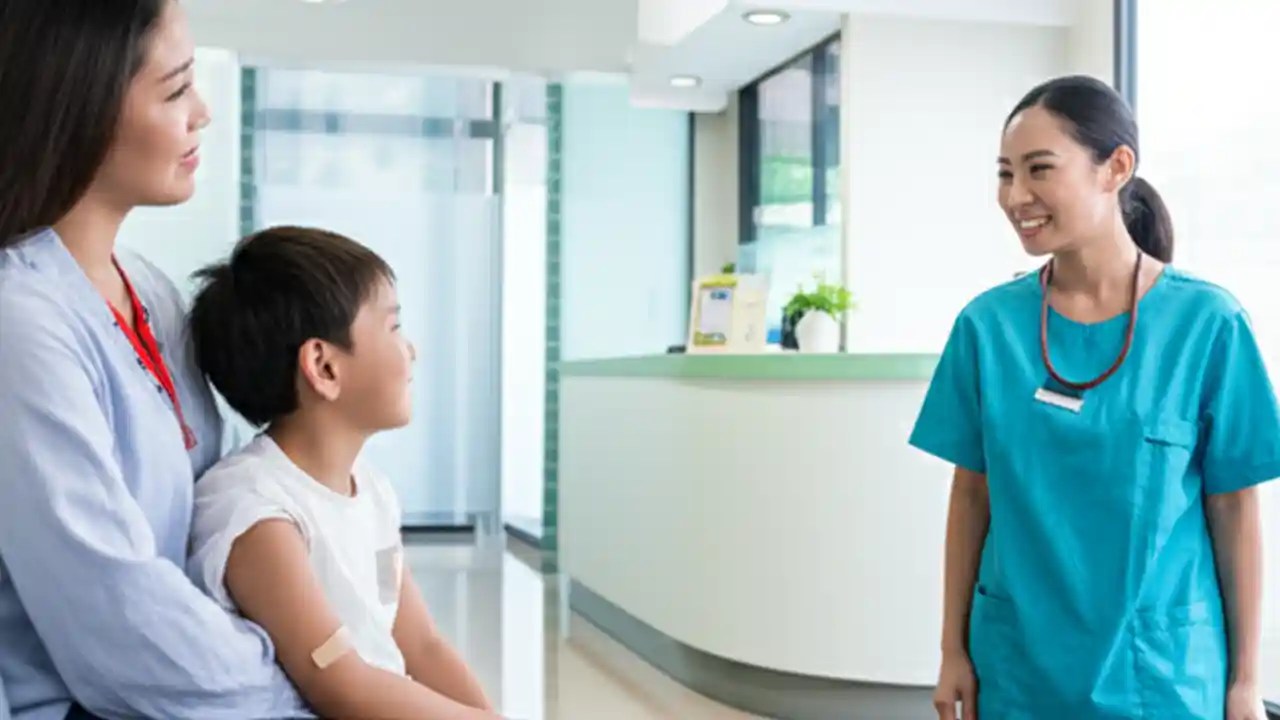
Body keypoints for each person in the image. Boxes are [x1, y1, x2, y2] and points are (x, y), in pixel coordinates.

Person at [911, 75, 1277, 720]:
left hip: (1161, 673)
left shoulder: (1209, 324)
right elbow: (972, 493)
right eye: (1005, 174)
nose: (1016, 196)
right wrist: (951, 651)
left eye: (1039, 170)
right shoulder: (987, 327)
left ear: (1117, 167)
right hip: (1019, 666)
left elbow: (1235, 509)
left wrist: (1247, 681)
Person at [0, 2, 313, 719]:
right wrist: (307, 688)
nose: (202, 112)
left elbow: (211, 518)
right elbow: (114, 618)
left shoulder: (150, 291)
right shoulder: (21, 323)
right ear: (76, 109)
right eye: (175, 91)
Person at [185, 226, 501, 720]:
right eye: (393, 327)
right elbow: (341, 683)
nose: (411, 350)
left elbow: (421, 645)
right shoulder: (255, 511)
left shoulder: (372, 491)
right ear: (324, 367)